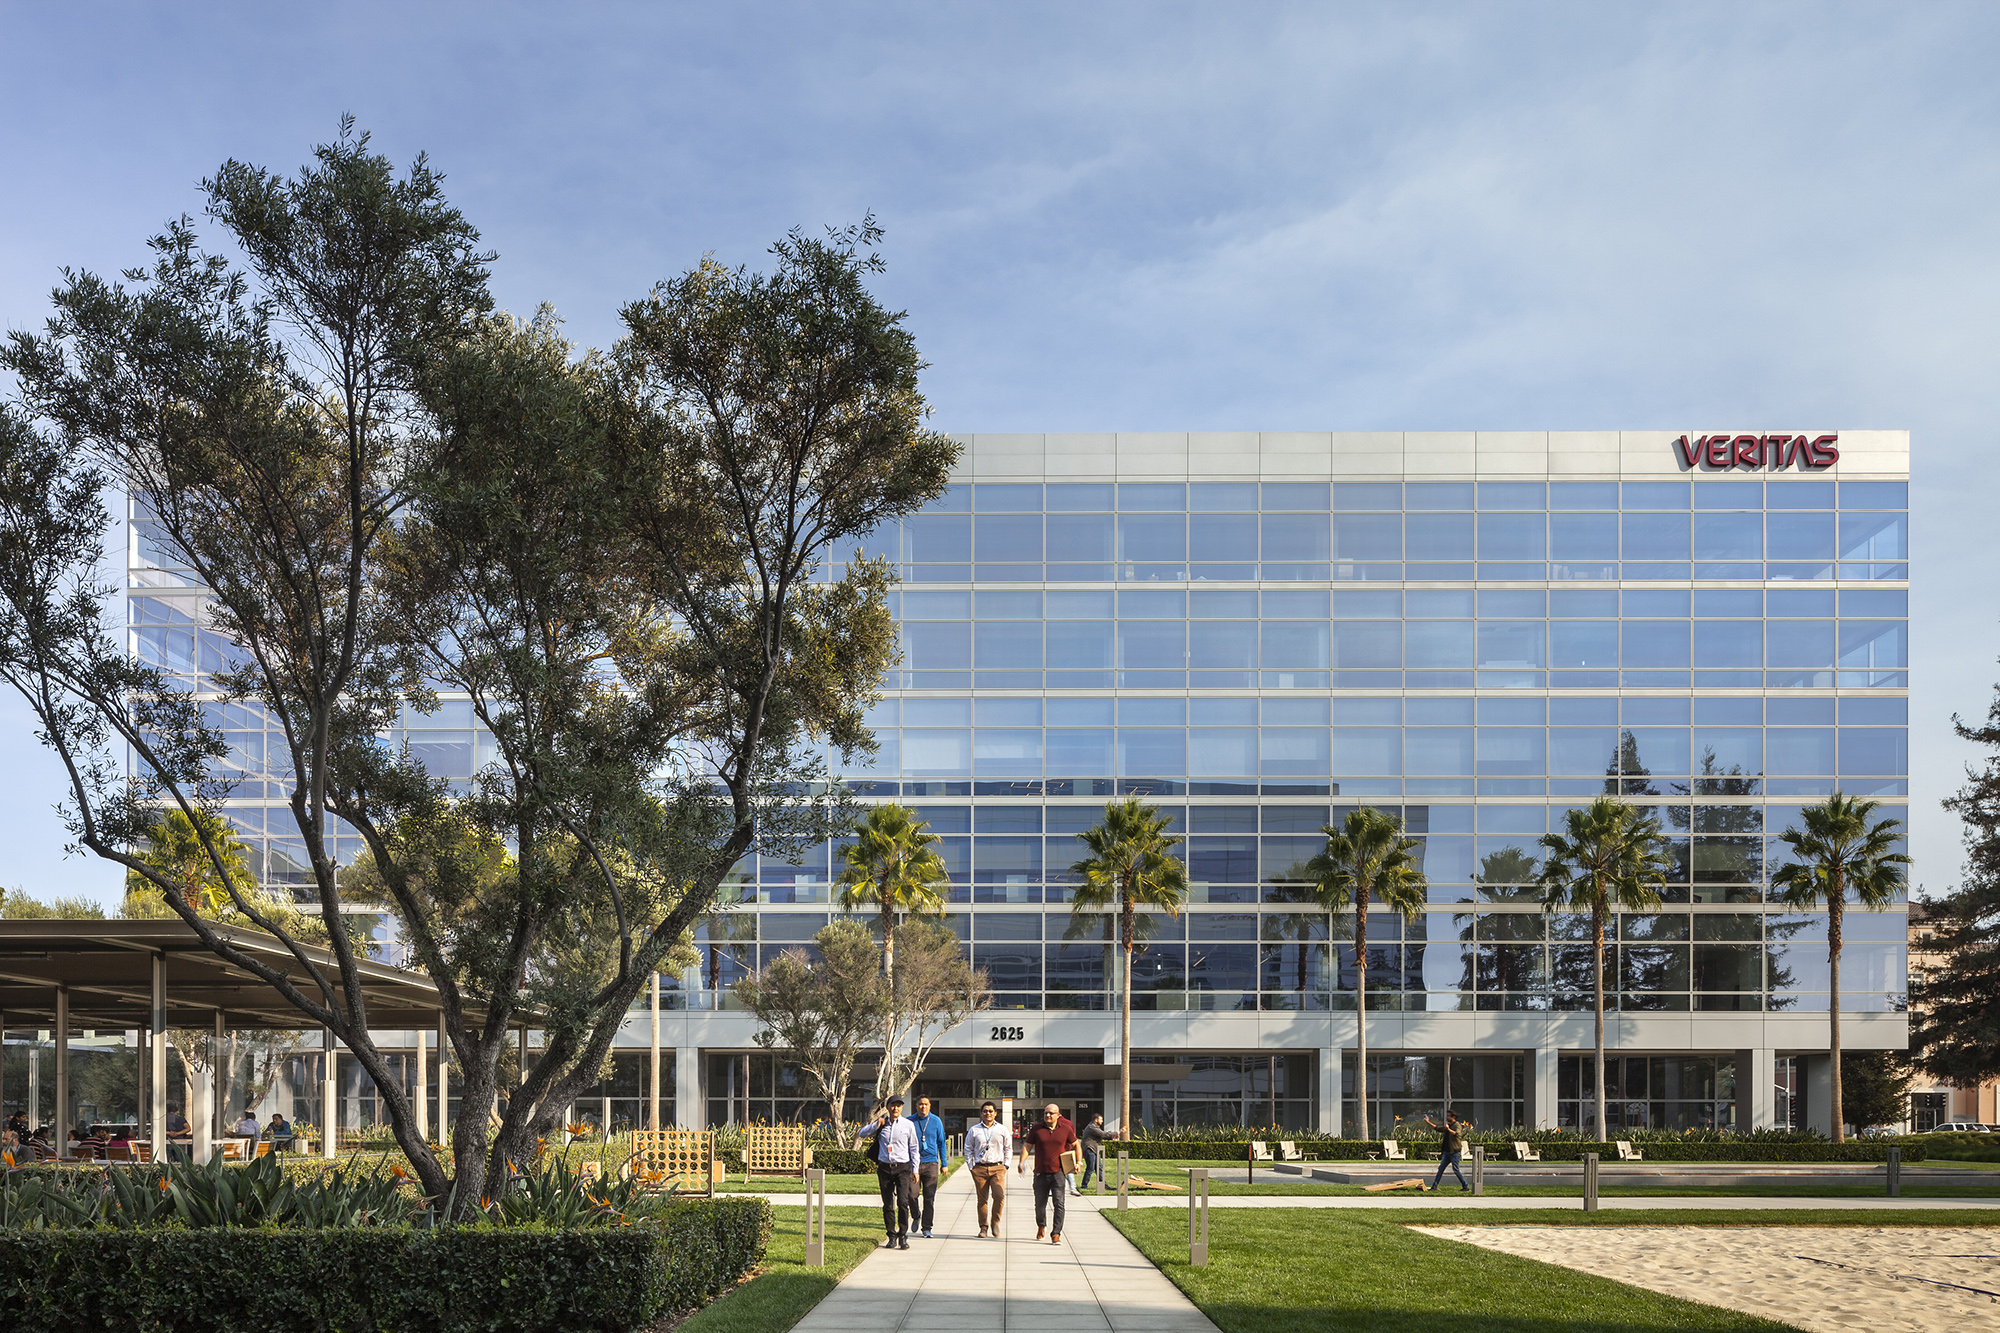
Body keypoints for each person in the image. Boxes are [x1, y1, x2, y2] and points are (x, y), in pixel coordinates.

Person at [857, 1095, 921, 1250]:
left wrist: (915, 1169)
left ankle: (903, 1236)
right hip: (885, 1167)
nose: (896, 1108)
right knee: (888, 1204)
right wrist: (875, 1126)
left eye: (899, 1105)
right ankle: (891, 1235)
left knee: (903, 1203)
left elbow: (914, 1148)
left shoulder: (908, 1125)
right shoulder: (882, 1123)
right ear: (887, 1106)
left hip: (903, 1168)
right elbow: (861, 1134)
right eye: (893, 1105)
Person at [1016, 1102, 1078, 1244]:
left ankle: (1056, 1233)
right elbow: (1027, 1146)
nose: (1048, 1115)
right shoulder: (1037, 1129)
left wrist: (1078, 1162)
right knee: (1040, 1204)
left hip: (1059, 1173)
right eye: (1046, 1113)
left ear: (1058, 1115)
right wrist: (1022, 1162)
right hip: (1040, 1173)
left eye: (1051, 1113)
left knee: (1059, 1204)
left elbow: (1076, 1145)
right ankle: (1041, 1226)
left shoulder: (1066, 1129)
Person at [964, 1099, 1010, 1238]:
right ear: (981, 1113)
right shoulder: (974, 1130)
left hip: (997, 1167)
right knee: (982, 1199)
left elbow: (1008, 1148)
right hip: (980, 1169)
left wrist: (1006, 1165)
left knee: (999, 1196)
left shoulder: (1002, 1129)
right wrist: (971, 1166)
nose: (988, 1113)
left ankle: (995, 1222)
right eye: (985, 1111)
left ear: (995, 1113)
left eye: (991, 1111)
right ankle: (983, 1228)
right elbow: (968, 1148)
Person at [908, 1095, 949, 1238]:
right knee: (912, 1195)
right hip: (913, 1163)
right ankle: (916, 1215)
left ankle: (927, 1228)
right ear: (916, 1106)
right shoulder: (909, 1121)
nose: (923, 1107)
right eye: (920, 1104)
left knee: (929, 1197)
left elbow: (941, 1143)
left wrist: (944, 1163)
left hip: (931, 1163)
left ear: (930, 1106)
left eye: (925, 1104)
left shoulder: (936, 1121)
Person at [1424, 1111, 1469, 1192]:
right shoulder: (1448, 1125)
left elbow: (1457, 1133)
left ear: (1453, 1117)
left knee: (1455, 1169)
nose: (1447, 1118)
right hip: (1447, 1151)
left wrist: (1448, 1129)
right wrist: (1428, 1122)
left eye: (1448, 1116)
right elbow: (1437, 1128)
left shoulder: (1457, 1125)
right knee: (1441, 1169)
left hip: (1454, 1152)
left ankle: (1465, 1186)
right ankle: (1434, 1187)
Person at [1078, 1113, 1107, 1193]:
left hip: (1094, 1150)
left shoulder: (1095, 1127)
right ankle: (1084, 1185)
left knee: (1099, 1167)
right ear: (1096, 1120)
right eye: (1101, 1119)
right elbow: (1103, 1134)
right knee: (1090, 1168)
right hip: (1089, 1149)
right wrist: (1115, 1134)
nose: (1102, 1121)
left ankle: (1104, 1185)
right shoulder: (1092, 1127)